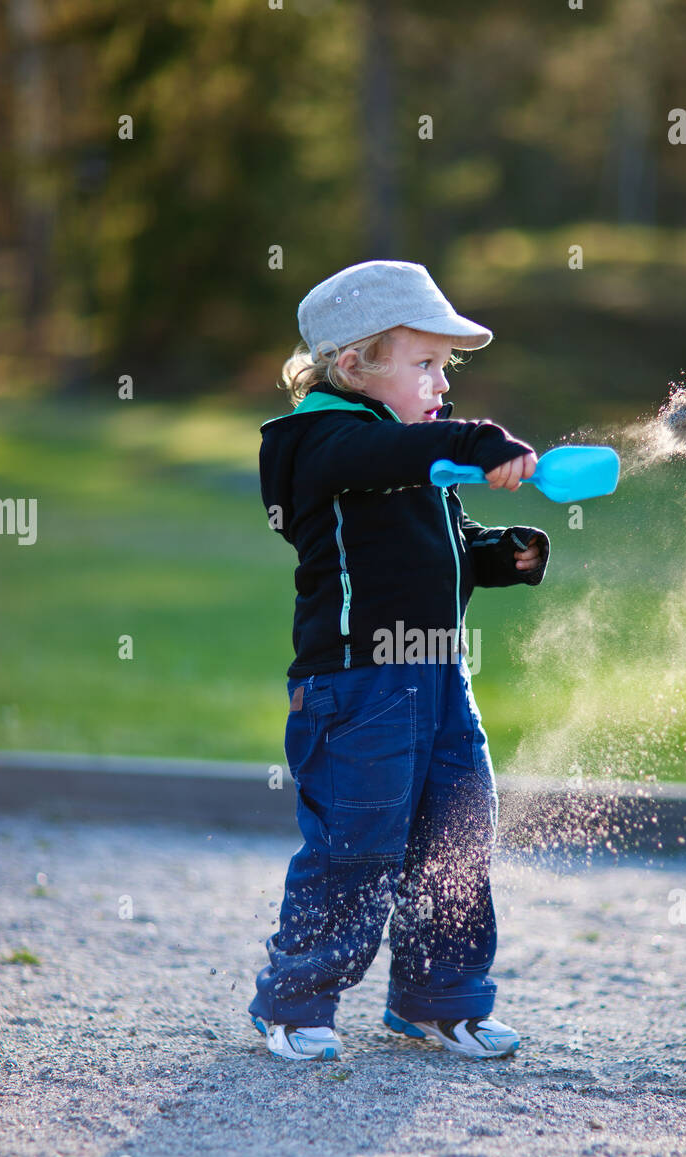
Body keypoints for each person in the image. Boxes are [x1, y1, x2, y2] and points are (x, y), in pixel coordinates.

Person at [248, 259, 550, 1061]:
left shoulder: (408, 451)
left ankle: (438, 998)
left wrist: (494, 554)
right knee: (359, 843)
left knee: (458, 832)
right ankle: (298, 1001)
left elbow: (430, 546)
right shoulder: (316, 443)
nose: (443, 381)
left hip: (440, 678)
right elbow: (371, 465)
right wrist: (474, 440)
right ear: (353, 366)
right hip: (358, 687)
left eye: (446, 366)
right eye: (425, 364)